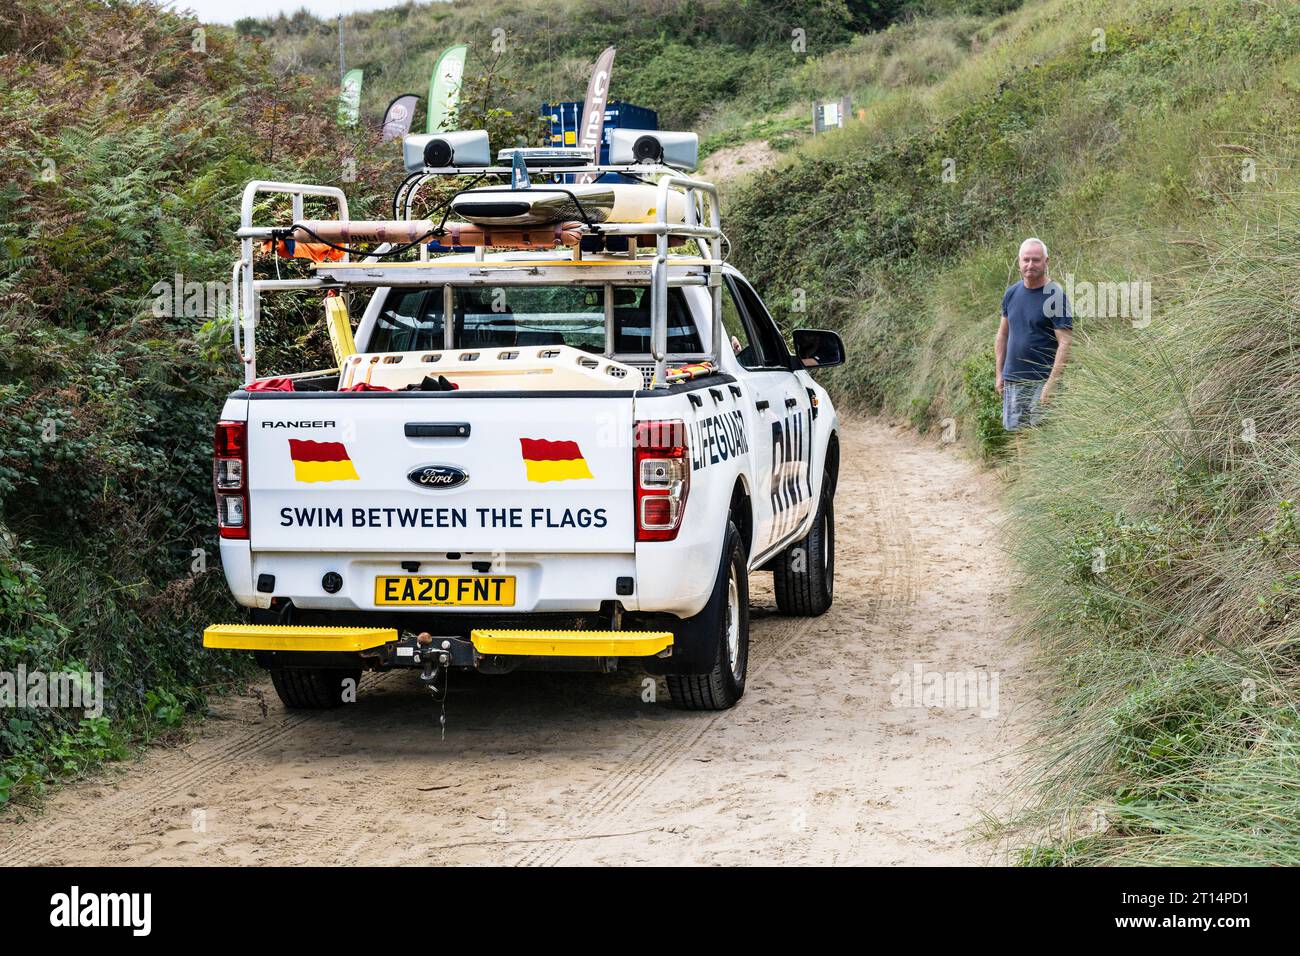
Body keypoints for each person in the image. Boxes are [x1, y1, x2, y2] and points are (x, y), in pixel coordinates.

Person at [995, 237, 1072, 434]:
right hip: (1014, 379)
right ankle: (1021, 468)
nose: (1030, 265)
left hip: (1041, 381)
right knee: (1020, 436)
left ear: (1047, 261)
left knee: (1043, 438)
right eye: (1026, 259)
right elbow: (1002, 335)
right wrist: (1000, 373)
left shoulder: (1055, 295)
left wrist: (1051, 384)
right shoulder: (1011, 293)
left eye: (1036, 260)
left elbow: (1065, 342)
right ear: (1019, 262)